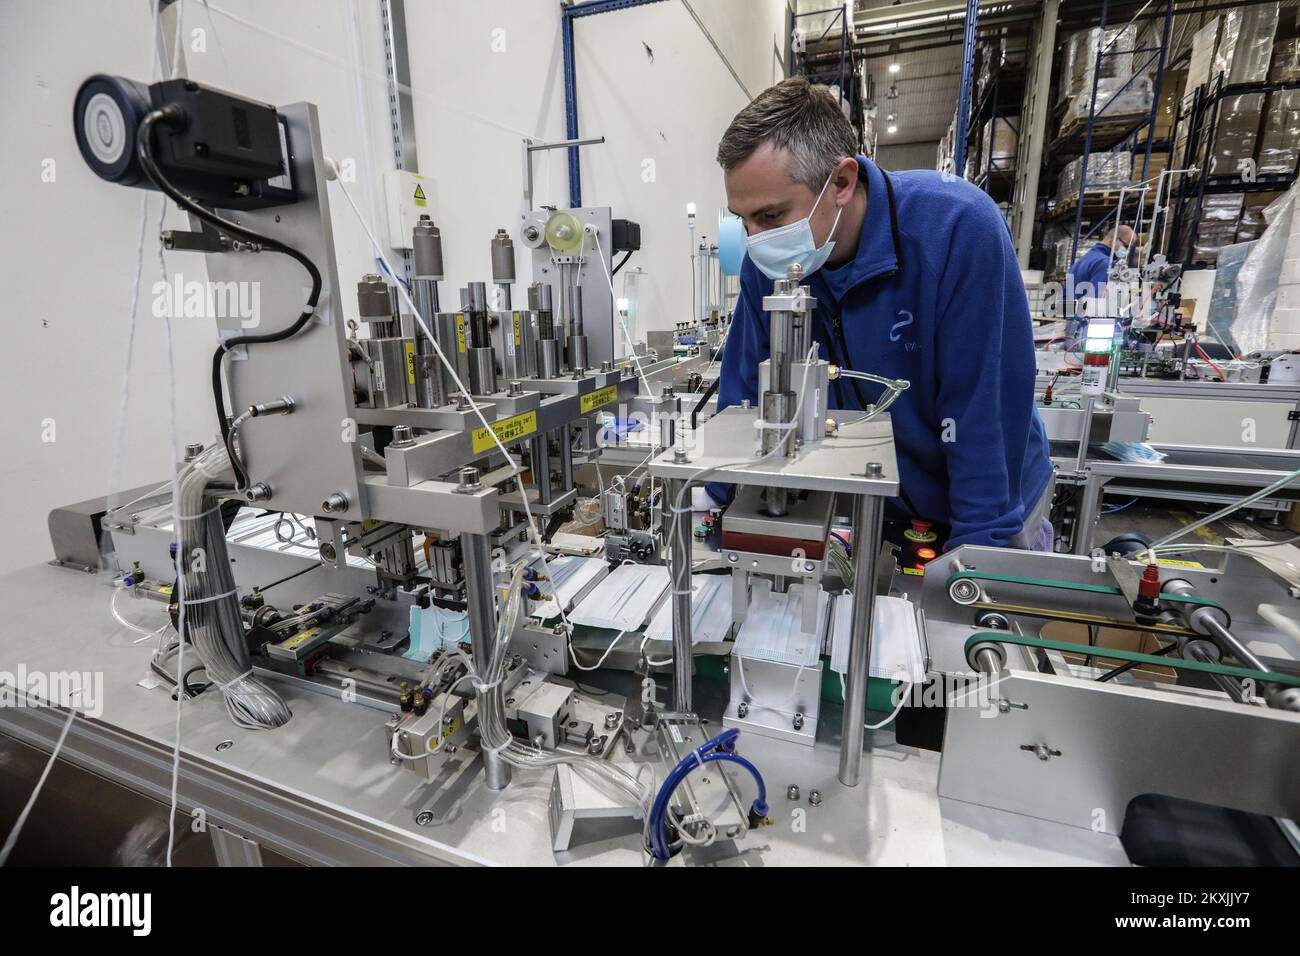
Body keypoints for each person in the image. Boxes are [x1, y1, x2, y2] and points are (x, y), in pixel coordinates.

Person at [707, 77, 1053, 552]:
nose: (753, 238)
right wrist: (713, 505)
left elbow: (983, 410)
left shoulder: (955, 229)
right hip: (873, 501)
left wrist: (977, 556)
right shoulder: (764, 266)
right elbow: (744, 390)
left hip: (990, 504)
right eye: (740, 220)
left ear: (842, 183)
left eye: (769, 217)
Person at [1064, 224, 1135, 345]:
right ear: (1113, 239)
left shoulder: (1086, 258)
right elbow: (1097, 303)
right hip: (1087, 333)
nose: (1127, 251)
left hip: (1072, 329)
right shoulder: (1105, 263)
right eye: (1126, 246)